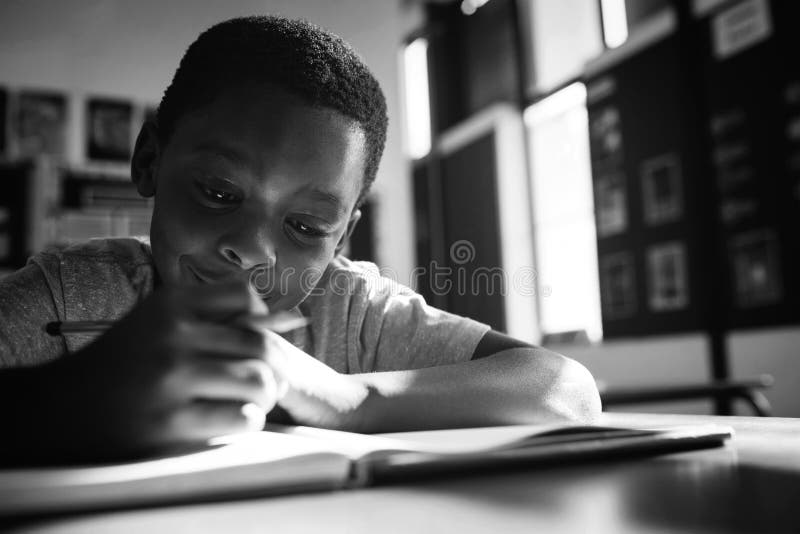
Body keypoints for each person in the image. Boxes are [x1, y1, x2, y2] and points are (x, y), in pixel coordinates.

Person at [0, 15, 600, 463]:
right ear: (150, 159)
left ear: (342, 237)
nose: (255, 249)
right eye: (218, 191)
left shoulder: (354, 314)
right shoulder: (68, 296)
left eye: (307, 228)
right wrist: (70, 398)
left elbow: (566, 390)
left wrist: (350, 399)